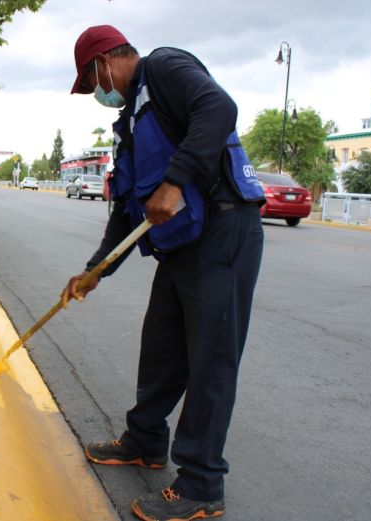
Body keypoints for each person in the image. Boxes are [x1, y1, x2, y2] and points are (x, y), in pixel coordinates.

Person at [61, 25, 265, 521]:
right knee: (161, 348)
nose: (97, 93)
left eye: (92, 82)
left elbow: (219, 110)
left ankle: (201, 485)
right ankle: (145, 441)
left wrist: (175, 183)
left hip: (224, 228)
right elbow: (129, 212)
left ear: (105, 62)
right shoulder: (129, 123)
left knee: (211, 361)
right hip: (183, 246)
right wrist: (95, 270)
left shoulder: (167, 66)